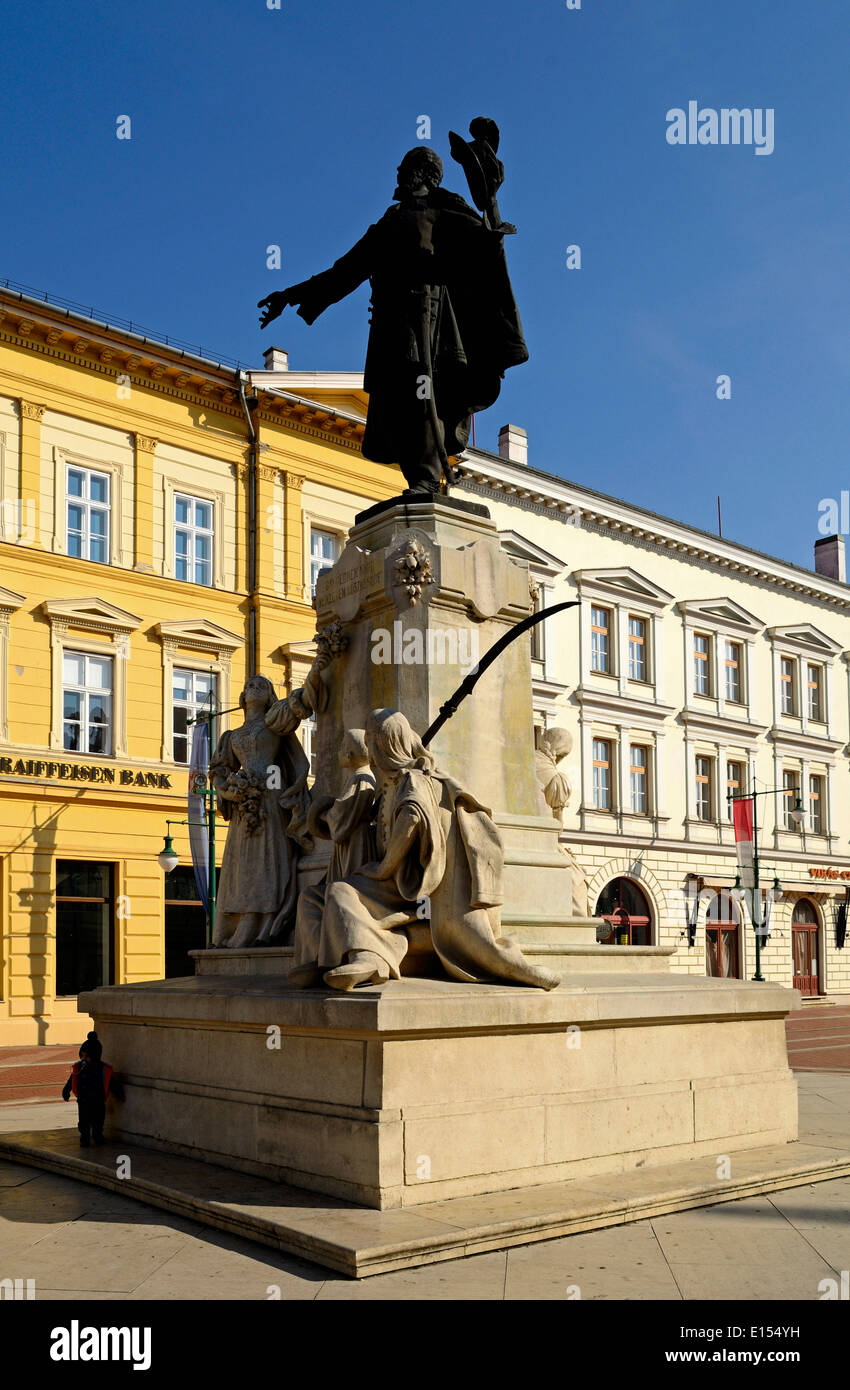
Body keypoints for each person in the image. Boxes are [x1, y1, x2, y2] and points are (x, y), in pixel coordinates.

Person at [258, 142, 527, 497]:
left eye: (404, 168)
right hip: (391, 326)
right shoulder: (389, 223)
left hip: (430, 322)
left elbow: (485, 245)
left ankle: (426, 479)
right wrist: (289, 296)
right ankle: (421, 477)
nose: (398, 174)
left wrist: (490, 200)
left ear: (421, 174)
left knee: (425, 396)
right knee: (401, 399)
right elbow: (344, 271)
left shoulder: (442, 212)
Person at [301, 708, 559, 992]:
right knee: (313, 897)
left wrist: (385, 866)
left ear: (382, 743)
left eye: (371, 739)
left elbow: (413, 814)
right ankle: (317, 961)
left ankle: (369, 958)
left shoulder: (412, 779)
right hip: (389, 883)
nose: (368, 746)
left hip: (408, 887)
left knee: (342, 892)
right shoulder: (388, 784)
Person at [288, 729, 377, 988]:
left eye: (341, 747)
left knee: (337, 895)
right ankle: (319, 955)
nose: (338, 752)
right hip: (348, 846)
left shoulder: (361, 779)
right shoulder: (357, 779)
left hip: (355, 846)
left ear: (349, 754)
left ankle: (336, 955)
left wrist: (323, 813)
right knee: (316, 897)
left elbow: (340, 820)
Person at [62, 1031, 113, 1147]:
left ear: (95, 1056)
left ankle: (97, 1135)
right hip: (84, 1100)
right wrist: (66, 1090)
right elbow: (72, 1079)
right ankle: (84, 1137)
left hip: (98, 1100)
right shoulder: (80, 1068)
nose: (84, 1059)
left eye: (87, 1056)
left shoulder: (102, 1069)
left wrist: (118, 1092)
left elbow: (110, 1081)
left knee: (98, 1120)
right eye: (82, 1056)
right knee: (84, 1121)